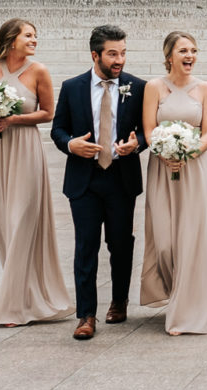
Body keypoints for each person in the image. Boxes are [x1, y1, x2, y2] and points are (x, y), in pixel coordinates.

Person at [51, 24, 146, 340]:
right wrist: (70, 144)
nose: (119, 60)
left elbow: (147, 130)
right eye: (112, 54)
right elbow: (58, 129)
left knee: (120, 245)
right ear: (95, 55)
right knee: (85, 247)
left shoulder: (137, 86)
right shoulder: (72, 87)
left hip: (121, 179)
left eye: (122, 53)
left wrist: (137, 145)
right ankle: (86, 315)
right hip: (84, 180)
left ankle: (119, 301)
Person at [0, 18, 70, 327]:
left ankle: (14, 307)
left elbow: (48, 113)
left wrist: (13, 120)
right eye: (28, 35)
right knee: (5, 221)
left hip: (26, 148)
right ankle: (19, 293)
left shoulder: (39, 71)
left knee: (23, 220)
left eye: (35, 35)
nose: (34, 40)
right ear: (12, 38)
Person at [140, 31, 207, 335]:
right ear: (169, 55)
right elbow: (149, 130)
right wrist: (164, 153)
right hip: (162, 170)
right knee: (163, 241)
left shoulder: (206, 89)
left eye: (194, 50)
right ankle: (172, 291)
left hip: (194, 170)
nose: (190, 56)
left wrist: (187, 154)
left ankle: (187, 309)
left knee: (192, 239)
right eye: (184, 51)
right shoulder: (153, 88)